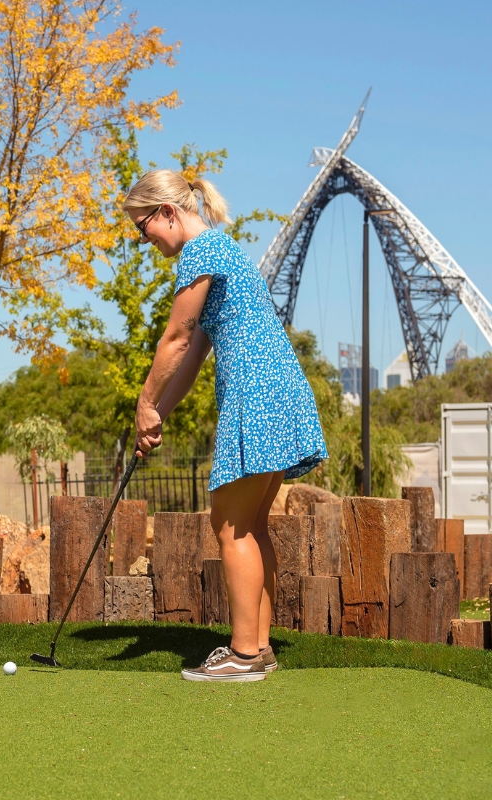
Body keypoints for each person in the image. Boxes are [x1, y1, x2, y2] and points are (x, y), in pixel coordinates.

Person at [124, 170, 327, 682]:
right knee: (250, 524)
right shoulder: (222, 249)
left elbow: (175, 336)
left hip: (255, 395)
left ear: (168, 212)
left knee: (230, 525)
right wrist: (158, 414)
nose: (143, 239)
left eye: (142, 227)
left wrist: (144, 402)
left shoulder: (200, 253)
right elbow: (192, 357)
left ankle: (243, 654)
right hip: (274, 391)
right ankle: (258, 648)